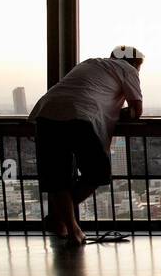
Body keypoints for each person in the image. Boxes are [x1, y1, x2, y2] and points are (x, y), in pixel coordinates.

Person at [29, 47, 145, 246]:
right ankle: (60, 218)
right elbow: (136, 110)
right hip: (80, 115)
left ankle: (71, 229)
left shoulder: (90, 63)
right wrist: (115, 115)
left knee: (57, 178)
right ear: (134, 63)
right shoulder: (128, 69)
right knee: (97, 173)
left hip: (45, 114)